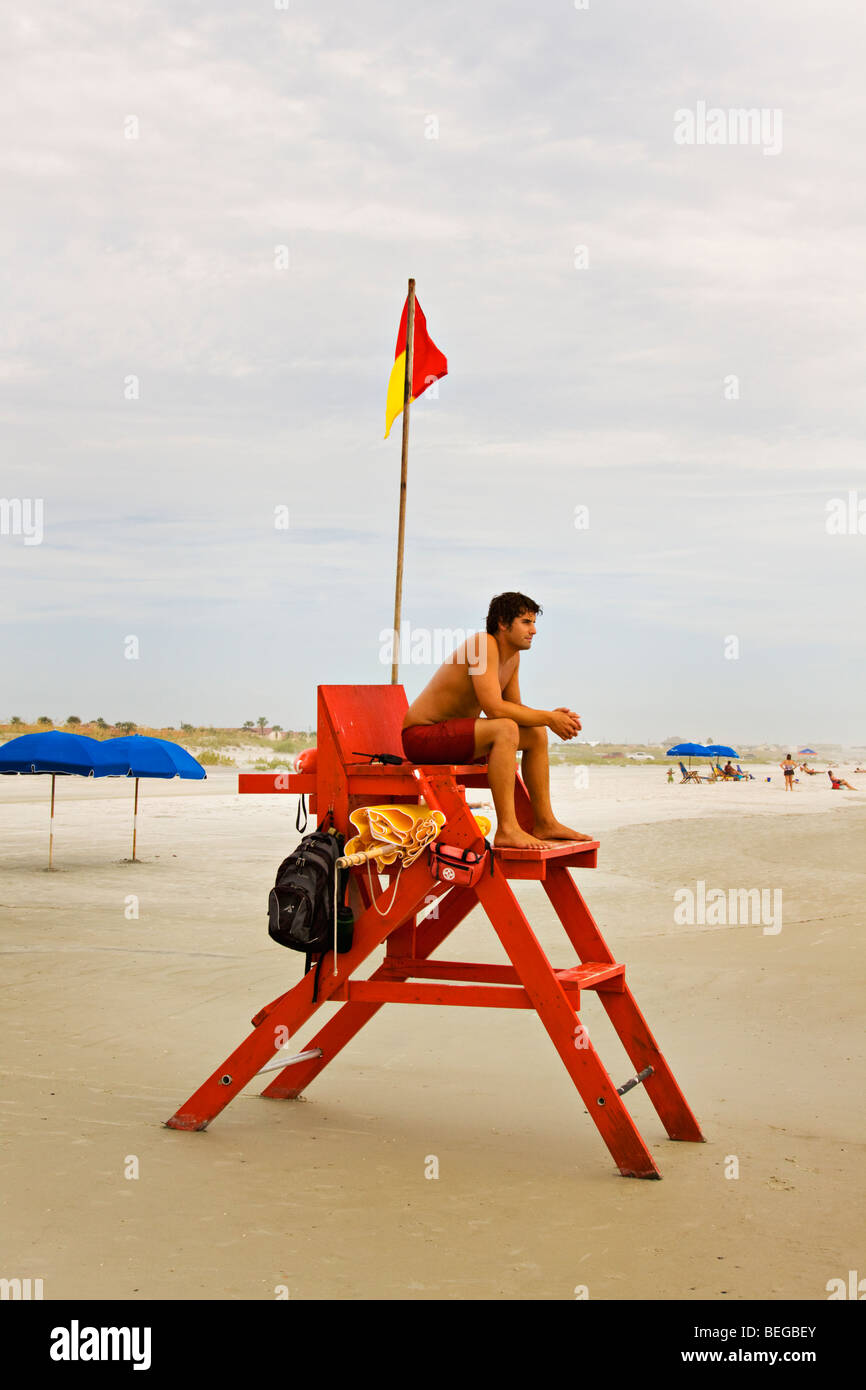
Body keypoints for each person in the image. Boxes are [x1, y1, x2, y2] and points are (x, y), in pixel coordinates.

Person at [401, 591, 590, 850]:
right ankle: (508, 829)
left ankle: (545, 823)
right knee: (505, 729)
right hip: (423, 737)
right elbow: (494, 708)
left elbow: (513, 707)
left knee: (535, 733)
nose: (533, 630)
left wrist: (548, 718)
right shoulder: (482, 644)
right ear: (503, 622)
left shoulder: (512, 657)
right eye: (526, 622)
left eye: (534, 623)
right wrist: (548, 717)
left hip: (458, 740)